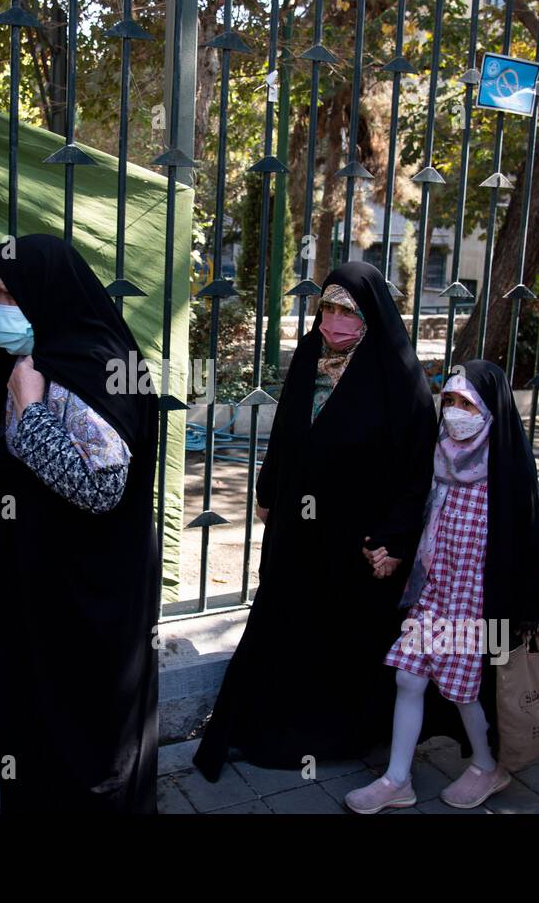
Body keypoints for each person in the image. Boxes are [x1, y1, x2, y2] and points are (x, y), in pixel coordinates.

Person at [0, 233, 160, 813]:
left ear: (46, 292)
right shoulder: (34, 359)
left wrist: (30, 412)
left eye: (12, 296)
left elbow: (102, 487)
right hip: (39, 583)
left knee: (79, 733)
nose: (2, 313)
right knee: (34, 723)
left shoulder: (102, 367)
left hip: (88, 593)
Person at [192, 260, 443, 782]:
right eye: (326, 308)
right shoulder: (310, 353)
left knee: (340, 634)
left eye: (346, 311)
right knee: (282, 621)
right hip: (297, 526)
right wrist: (266, 493)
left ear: (370, 316)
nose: (332, 321)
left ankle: (334, 736)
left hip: (358, 538)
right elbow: (284, 430)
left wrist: (394, 539)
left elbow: (417, 471)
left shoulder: (399, 375)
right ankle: (267, 728)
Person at [344, 361, 539, 812]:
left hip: (478, 598)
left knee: (463, 689)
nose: (455, 412)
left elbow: (526, 542)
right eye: (449, 401)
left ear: (489, 408)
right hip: (436, 588)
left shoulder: (506, 466)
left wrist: (520, 609)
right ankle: (397, 779)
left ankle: (486, 765)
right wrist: (391, 547)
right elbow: (415, 511)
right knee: (408, 675)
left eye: (467, 403)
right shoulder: (438, 453)